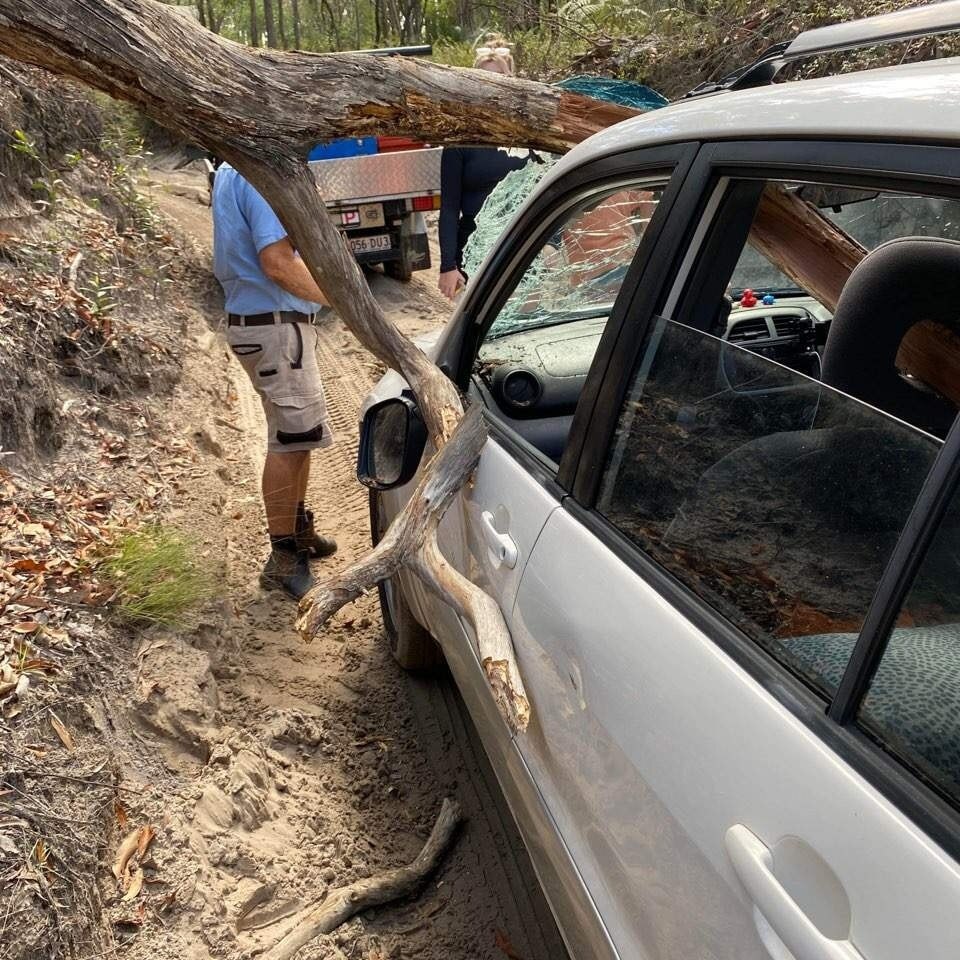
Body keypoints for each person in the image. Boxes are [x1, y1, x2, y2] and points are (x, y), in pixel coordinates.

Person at [211, 164, 337, 601]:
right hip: (276, 326)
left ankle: (297, 531)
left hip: (272, 324)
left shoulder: (234, 168)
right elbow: (277, 263)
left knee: (301, 436)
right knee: (290, 441)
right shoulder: (257, 172)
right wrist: (340, 296)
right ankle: (283, 558)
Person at [438, 41, 529, 299]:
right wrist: (448, 266)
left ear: (511, 81)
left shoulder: (528, 134)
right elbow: (449, 208)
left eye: (499, 77)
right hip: (474, 251)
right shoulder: (460, 139)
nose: (492, 85)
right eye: (483, 78)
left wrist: (551, 245)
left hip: (523, 246)